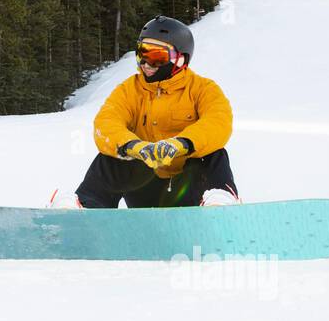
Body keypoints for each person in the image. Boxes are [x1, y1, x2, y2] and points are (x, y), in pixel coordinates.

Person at [74, 16, 239, 209]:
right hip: (143, 184)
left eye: (157, 56)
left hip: (187, 188)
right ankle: (87, 208)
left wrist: (182, 144)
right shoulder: (129, 90)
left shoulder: (203, 89)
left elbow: (218, 121)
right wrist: (132, 146)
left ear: (180, 59)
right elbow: (107, 122)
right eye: (142, 53)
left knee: (213, 154)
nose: (146, 63)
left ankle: (220, 203)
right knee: (110, 157)